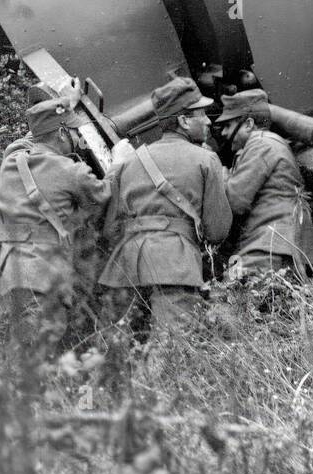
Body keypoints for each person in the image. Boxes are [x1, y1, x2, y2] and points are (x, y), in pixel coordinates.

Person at [0, 91, 111, 366]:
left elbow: (31, 139)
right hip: (41, 279)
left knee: (11, 358)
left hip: (3, 277)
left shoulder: (11, 163)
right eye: (72, 132)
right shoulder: (71, 172)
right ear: (61, 133)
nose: (76, 139)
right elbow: (106, 195)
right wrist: (121, 161)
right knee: (35, 362)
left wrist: (54, 111)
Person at [98, 77, 232, 333]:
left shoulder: (130, 161)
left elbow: (110, 229)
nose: (208, 121)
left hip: (125, 268)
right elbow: (218, 230)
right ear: (182, 121)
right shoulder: (206, 159)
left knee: (124, 353)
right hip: (174, 267)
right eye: (201, 114)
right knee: (172, 353)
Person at [215, 89, 313, 282]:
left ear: (248, 124)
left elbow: (235, 201)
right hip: (274, 245)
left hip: (269, 247)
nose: (224, 133)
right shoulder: (266, 144)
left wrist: (220, 175)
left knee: (230, 301)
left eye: (228, 125)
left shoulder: (261, 145)